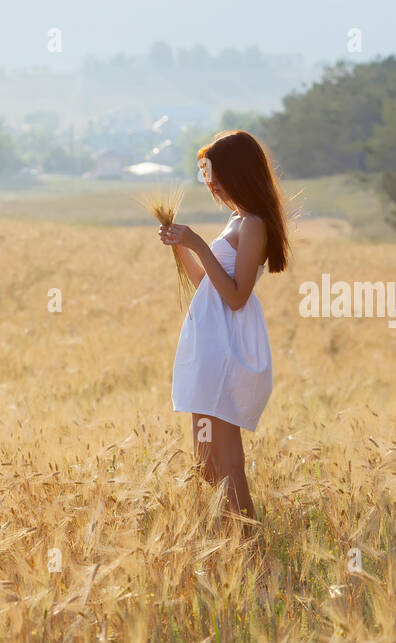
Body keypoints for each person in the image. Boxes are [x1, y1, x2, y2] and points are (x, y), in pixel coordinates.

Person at [159, 130, 290, 536]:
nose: (209, 182)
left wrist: (198, 243)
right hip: (208, 346)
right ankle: (226, 540)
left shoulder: (253, 225)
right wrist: (181, 247)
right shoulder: (236, 221)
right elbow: (208, 287)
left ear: (238, 172)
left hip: (227, 350)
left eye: (214, 173)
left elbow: (236, 296)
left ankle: (250, 545)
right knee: (205, 461)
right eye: (205, 174)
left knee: (227, 460)